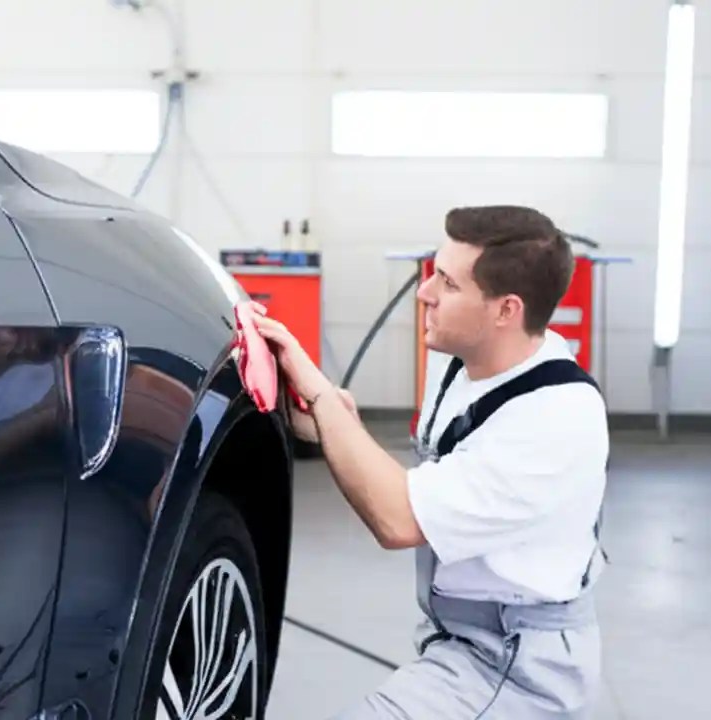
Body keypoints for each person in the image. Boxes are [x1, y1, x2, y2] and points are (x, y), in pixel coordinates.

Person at [251, 205, 609, 719]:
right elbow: (439, 481)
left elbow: (398, 519)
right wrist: (333, 428)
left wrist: (325, 401)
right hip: (457, 639)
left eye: (448, 283)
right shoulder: (462, 363)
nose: (425, 293)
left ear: (506, 310)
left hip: (514, 664)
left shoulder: (554, 415)